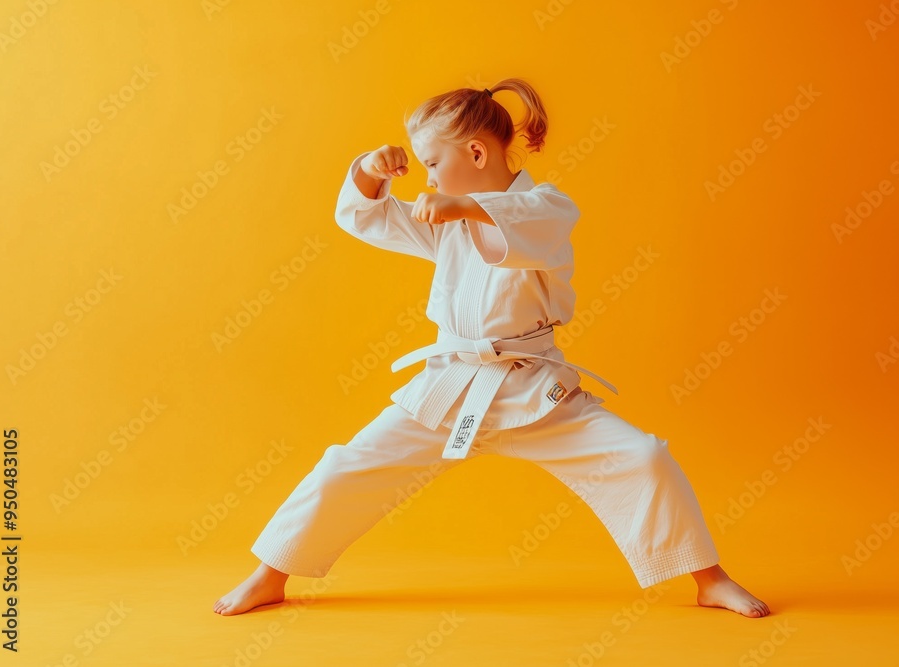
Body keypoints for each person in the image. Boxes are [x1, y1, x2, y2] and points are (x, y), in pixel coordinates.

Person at [214, 78, 770, 618]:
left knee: (643, 458)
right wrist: (367, 170)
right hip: (450, 385)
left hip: (534, 388)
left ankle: (708, 578)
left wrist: (465, 209)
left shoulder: (544, 205)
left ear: (476, 151)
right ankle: (271, 575)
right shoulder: (444, 220)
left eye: (430, 162)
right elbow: (365, 216)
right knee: (345, 468)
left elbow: (537, 225)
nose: (426, 176)